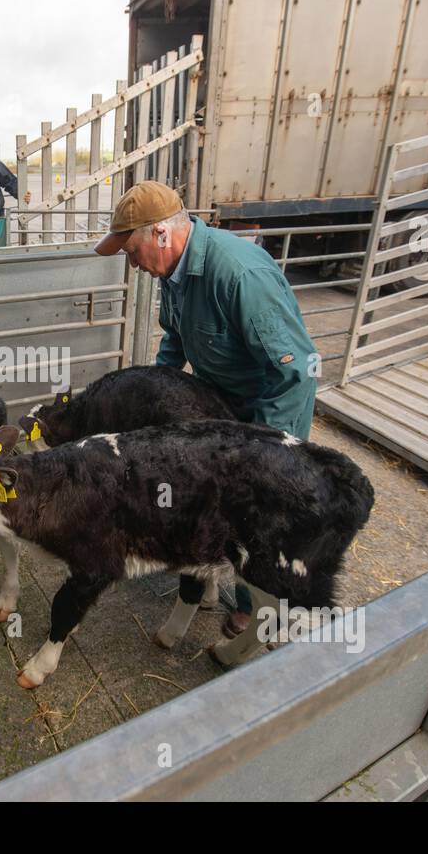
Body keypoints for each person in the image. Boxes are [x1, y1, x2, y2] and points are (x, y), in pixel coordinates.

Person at [94, 180, 318, 636]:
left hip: (267, 414)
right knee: (216, 503)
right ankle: (216, 577)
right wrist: (151, 396)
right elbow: (175, 339)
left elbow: (296, 372)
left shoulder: (238, 274)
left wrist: (264, 449)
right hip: (218, 406)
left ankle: (259, 604)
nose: (133, 264)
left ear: (160, 233)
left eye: (132, 250)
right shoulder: (172, 272)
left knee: (257, 512)